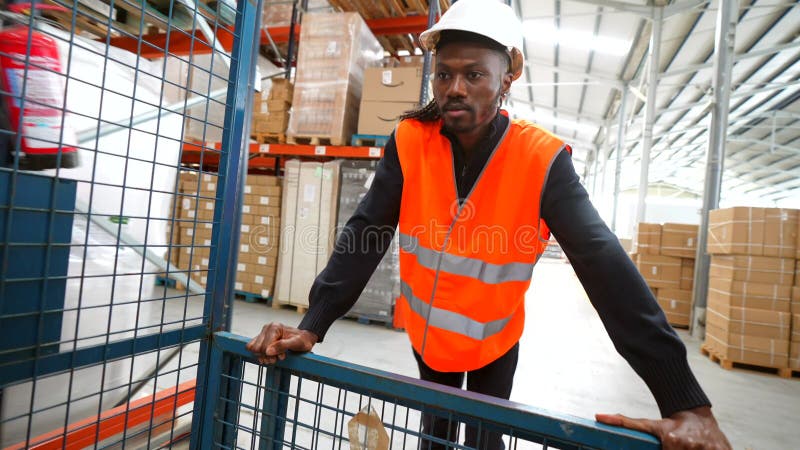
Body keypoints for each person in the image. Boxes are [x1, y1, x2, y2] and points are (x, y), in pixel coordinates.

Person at [247, 0, 732, 449]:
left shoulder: (541, 160)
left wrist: (683, 401)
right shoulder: (410, 142)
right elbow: (365, 233)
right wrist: (314, 324)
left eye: (475, 74)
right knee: (435, 432)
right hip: (429, 339)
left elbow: (603, 265)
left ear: (509, 75)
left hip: (494, 342)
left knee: (486, 435)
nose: (455, 89)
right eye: (444, 75)